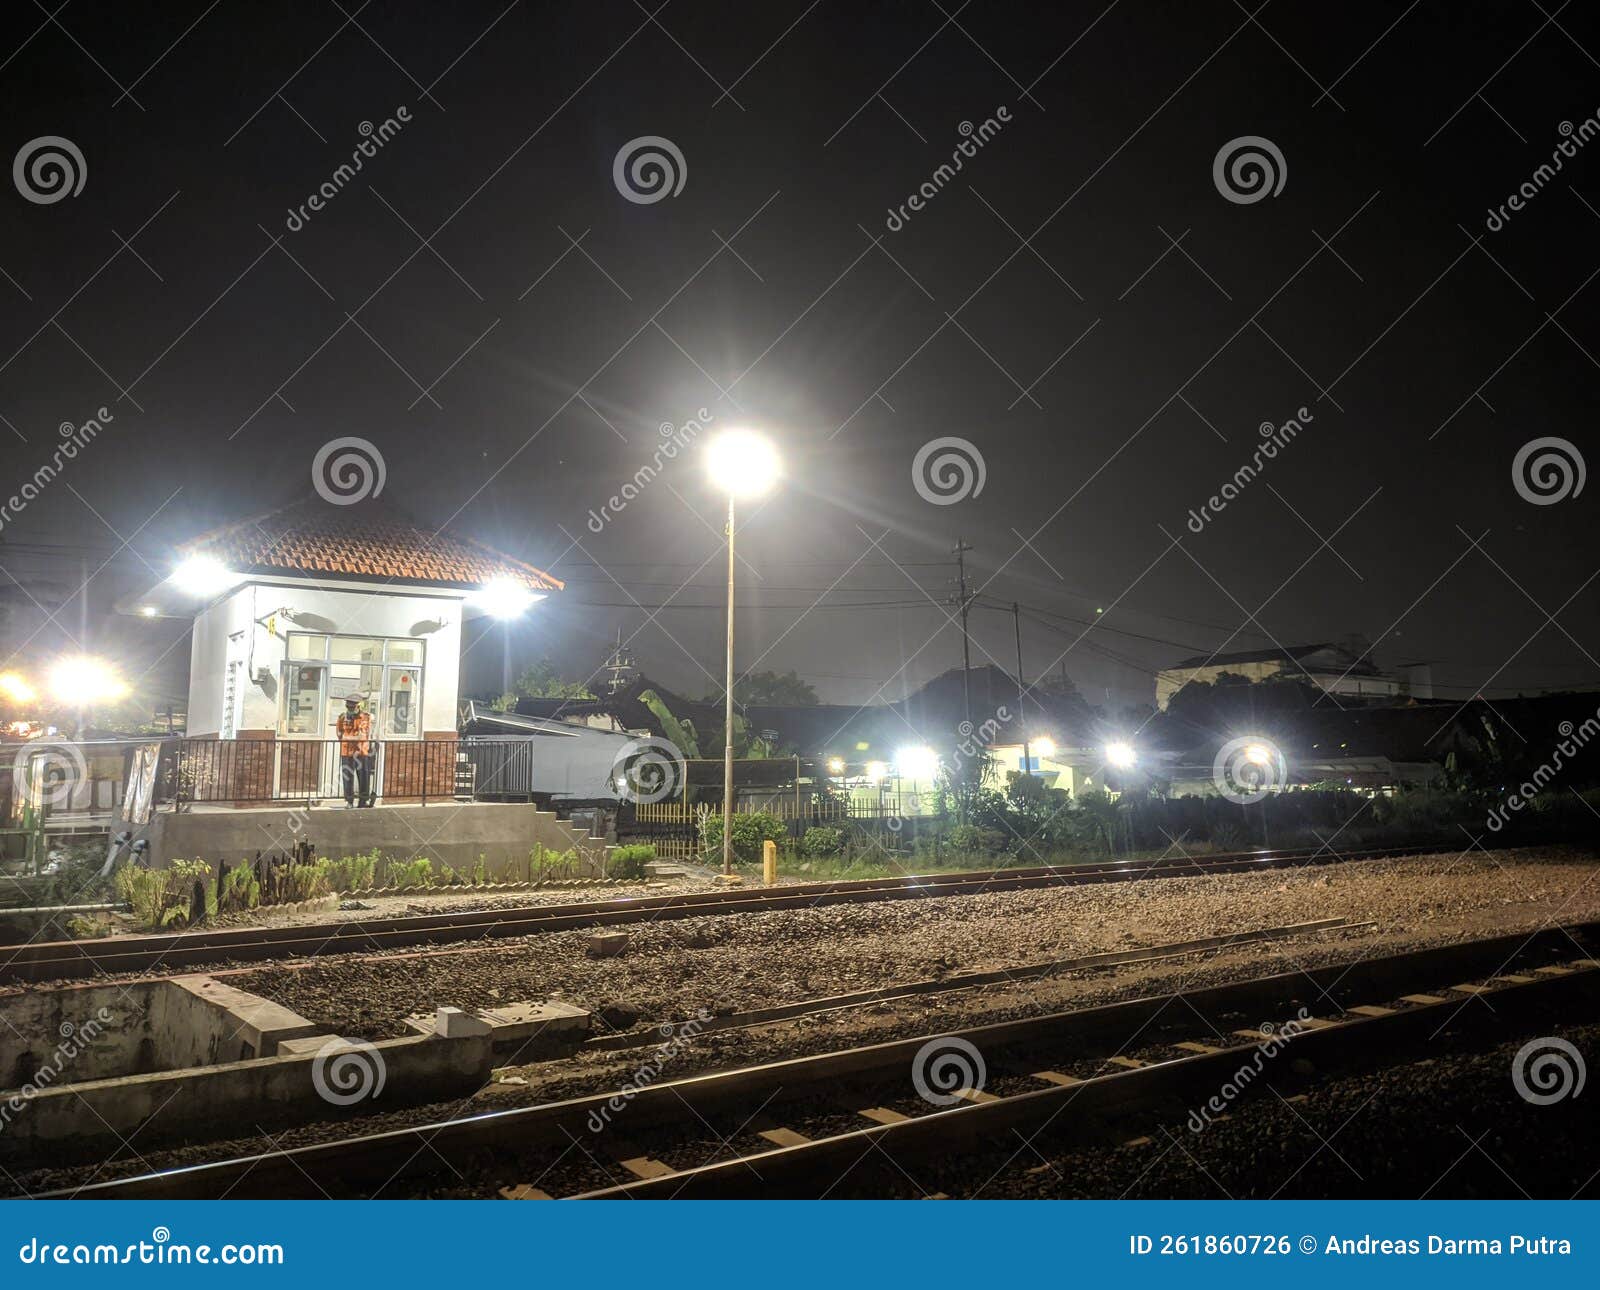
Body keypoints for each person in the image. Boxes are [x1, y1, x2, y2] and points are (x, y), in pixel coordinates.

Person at [336, 694, 375, 807]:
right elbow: (339, 734)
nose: (350, 709)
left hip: (361, 751)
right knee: (347, 777)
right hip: (346, 751)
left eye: (352, 707)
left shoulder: (365, 717)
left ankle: (363, 801)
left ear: (358, 706)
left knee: (364, 777)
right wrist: (349, 737)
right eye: (348, 707)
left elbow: (362, 737)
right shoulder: (342, 717)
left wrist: (346, 737)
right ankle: (349, 801)